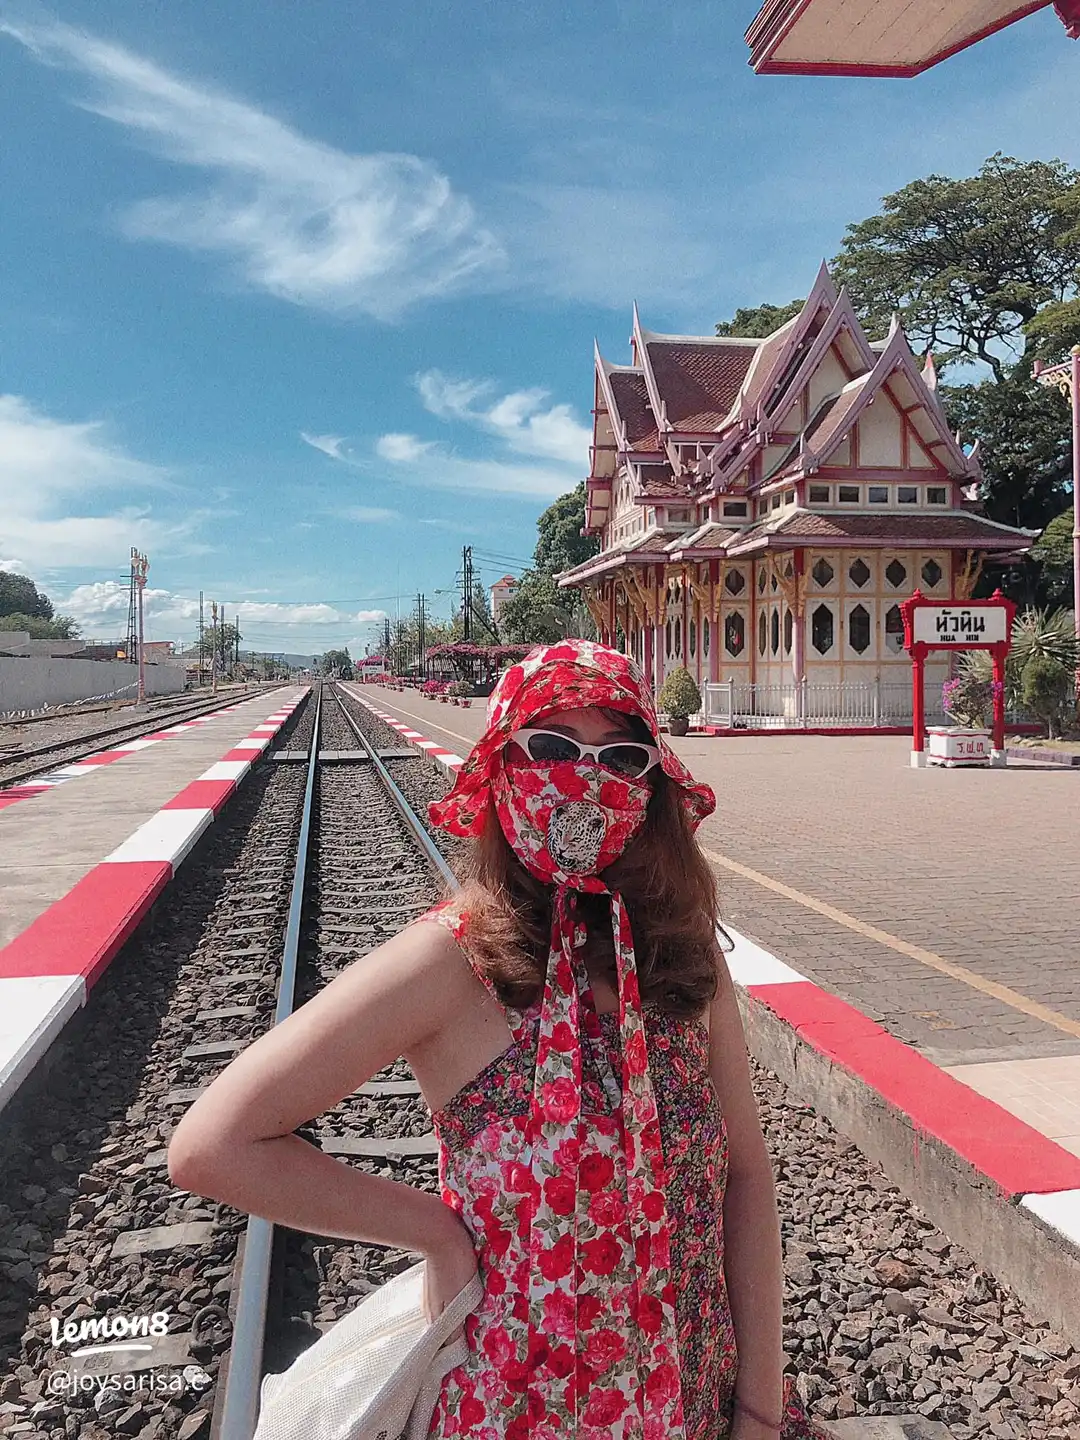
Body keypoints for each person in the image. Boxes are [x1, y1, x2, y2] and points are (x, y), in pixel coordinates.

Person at [169, 640, 833, 1439]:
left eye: (621, 757)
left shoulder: (679, 954)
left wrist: (758, 1407)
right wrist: (434, 1231)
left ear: (650, 786)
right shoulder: (452, 961)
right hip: (517, 1410)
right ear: (501, 767)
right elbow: (214, 1143)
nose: (586, 777)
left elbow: (747, 1174)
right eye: (552, 747)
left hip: (697, 1397)